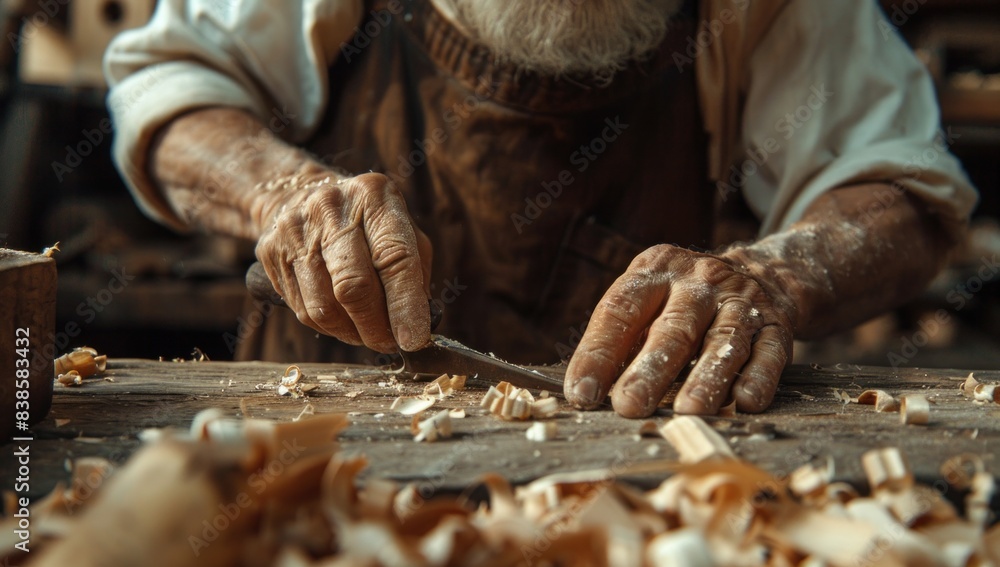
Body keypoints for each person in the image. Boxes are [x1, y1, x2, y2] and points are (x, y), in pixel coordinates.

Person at [104, 0, 977, 418]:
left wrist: (775, 277)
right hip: (314, 443)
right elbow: (170, 84)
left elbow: (899, 183)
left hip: (627, 470)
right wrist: (278, 191)